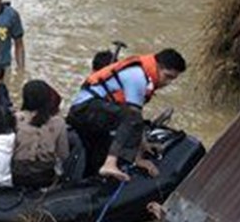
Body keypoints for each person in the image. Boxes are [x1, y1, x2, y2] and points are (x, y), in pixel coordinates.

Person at [66, 48, 186, 181]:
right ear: (158, 66)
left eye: (172, 79)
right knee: (131, 116)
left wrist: (143, 144)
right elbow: (133, 117)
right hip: (84, 110)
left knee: (99, 152)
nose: (167, 83)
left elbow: (134, 119)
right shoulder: (138, 77)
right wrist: (138, 158)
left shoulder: (145, 75)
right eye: (167, 76)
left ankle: (94, 176)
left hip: (97, 112)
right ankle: (110, 164)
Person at [12, 80, 70, 189]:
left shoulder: (15, 119)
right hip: (44, 177)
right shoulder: (59, 123)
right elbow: (63, 154)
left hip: (18, 176)